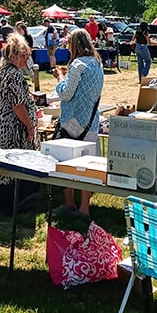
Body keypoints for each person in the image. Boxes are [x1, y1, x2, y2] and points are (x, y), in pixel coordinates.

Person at [50, 29, 104, 219]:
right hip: (91, 119)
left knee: (68, 164)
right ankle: (84, 207)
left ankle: (69, 202)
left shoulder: (78, 64)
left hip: (74, 121)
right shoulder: (97, 63)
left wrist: (59, 79)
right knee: (87, 166)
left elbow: (65, 94)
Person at [0, 33, 40, 213]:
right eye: (26, 57)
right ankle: (13, 202)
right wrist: (30, 127)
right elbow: (18, 105)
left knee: (0, 162)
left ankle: (0, 199)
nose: (27, 62)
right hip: (10, 128)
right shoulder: (14, 75)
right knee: (13, 161)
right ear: (19, 55)